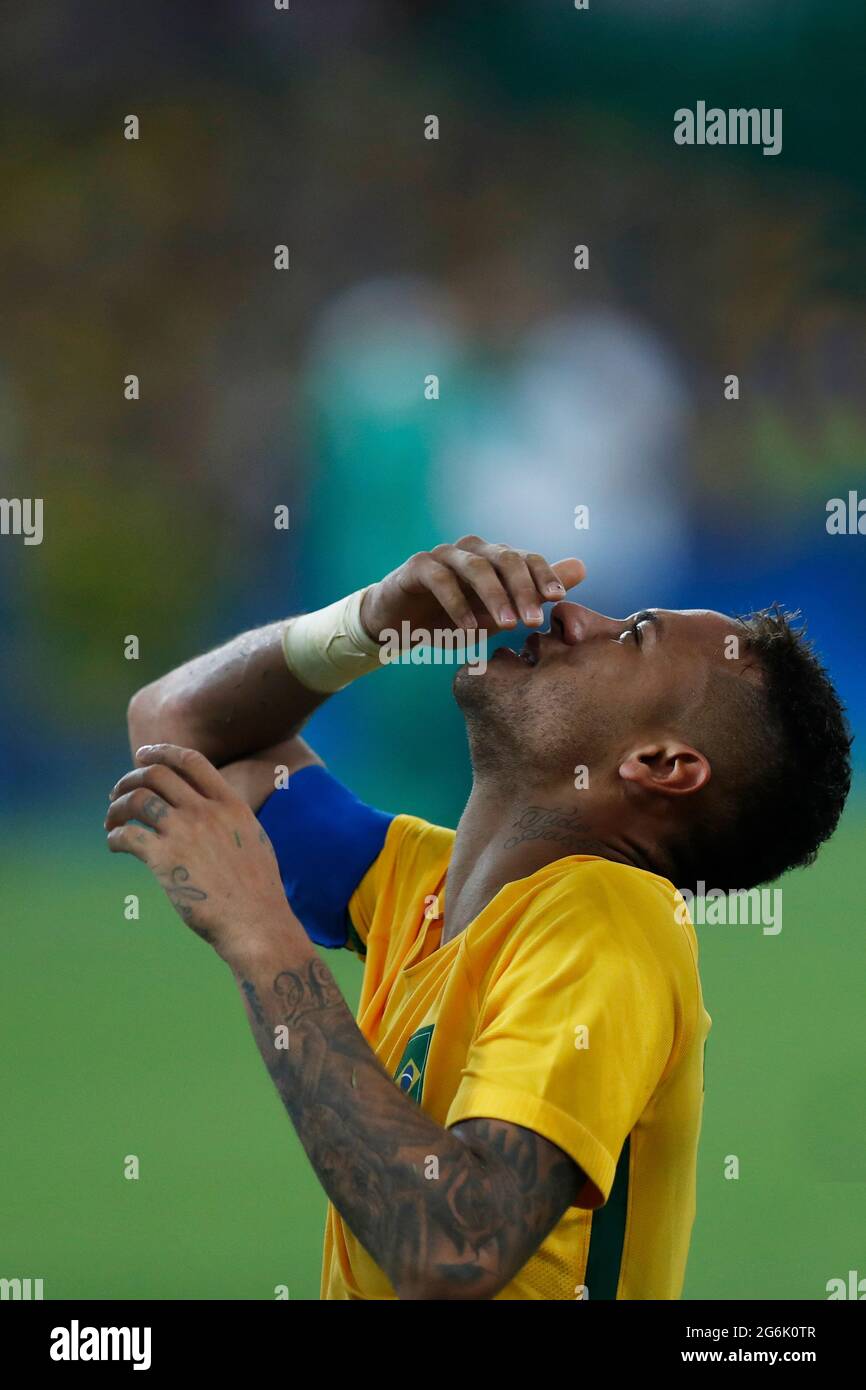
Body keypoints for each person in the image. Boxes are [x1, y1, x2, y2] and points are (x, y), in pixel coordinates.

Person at [107, 535, 852, 1299]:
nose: (573, 617)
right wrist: (369, 624)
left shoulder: (607, 924)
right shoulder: (426, 887)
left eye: (632, 637)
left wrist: (262, 938)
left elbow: (454, 1252)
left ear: (660, 765)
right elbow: (174, 729)